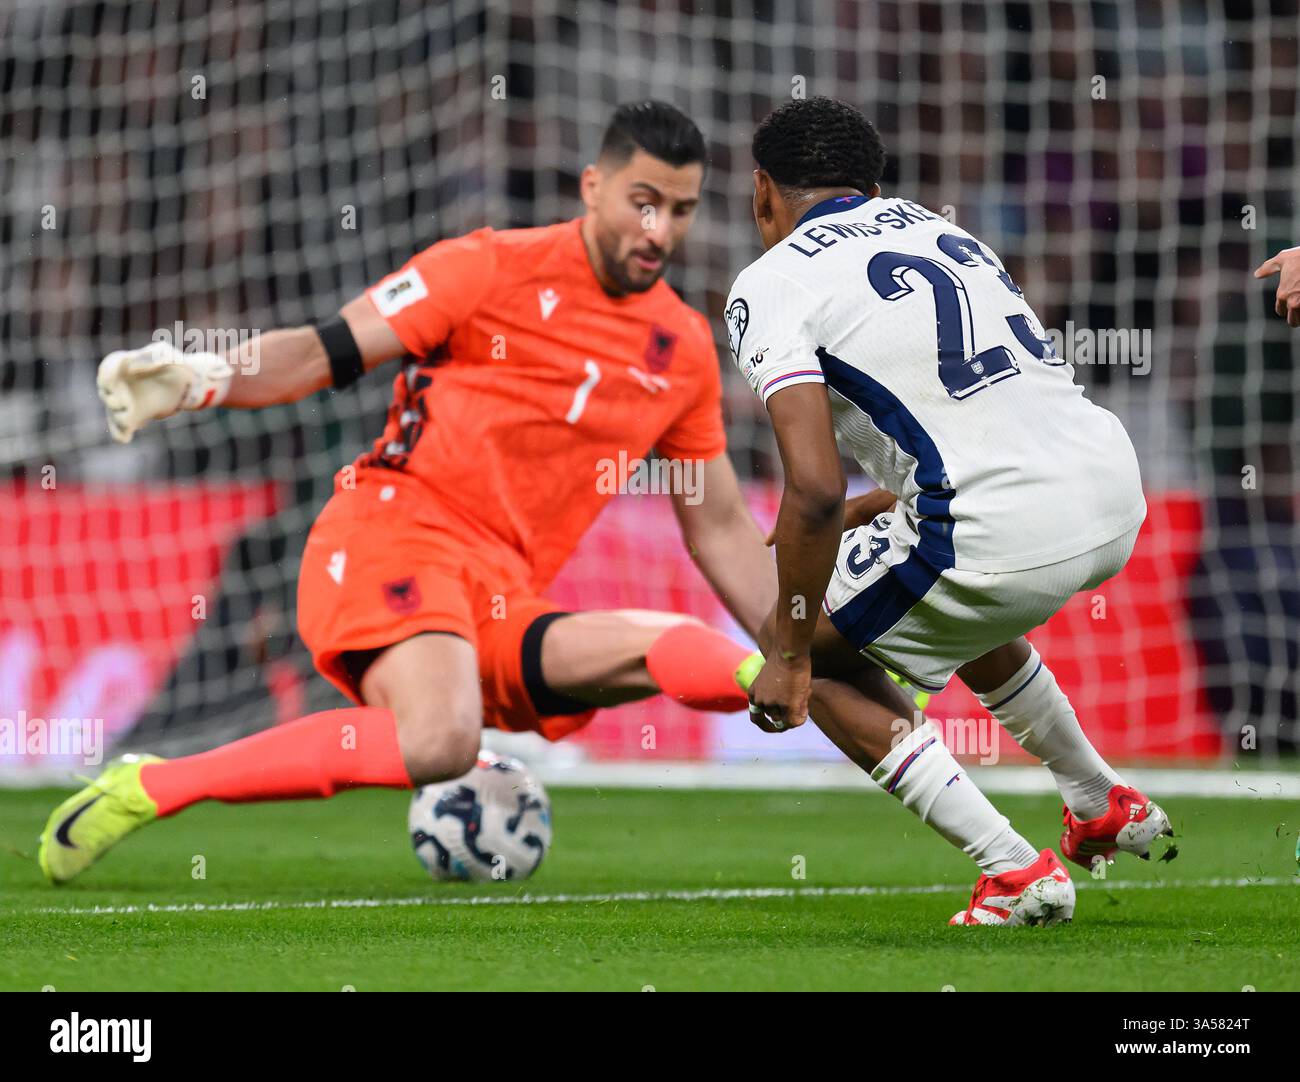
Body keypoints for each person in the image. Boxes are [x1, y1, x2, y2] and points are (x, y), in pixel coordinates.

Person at [39, 101, 778, 884]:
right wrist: (204, 377)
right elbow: (320, 352)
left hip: (500, 594)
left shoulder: (685, 350)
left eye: (681, 210)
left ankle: (787, 672)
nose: (658, 230)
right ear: (593, 186)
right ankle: (150, 785)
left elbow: (723, 525)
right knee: (440, 744)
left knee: (654, 643)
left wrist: (801, 647)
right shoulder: (485, 267)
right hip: (392, 532)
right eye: (643, 202)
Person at [730, 97, 1174, 925]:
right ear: (870, 183)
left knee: (802, 651)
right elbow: (990, 409)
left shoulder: (771, 283)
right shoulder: (943, 230)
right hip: (1112, 488)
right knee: (931, 592)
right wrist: (888, 499)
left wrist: (788, 651)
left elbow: (813, 491)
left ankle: (1014, 871)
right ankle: (1094, 795)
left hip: (996, 532)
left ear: (763, 191)